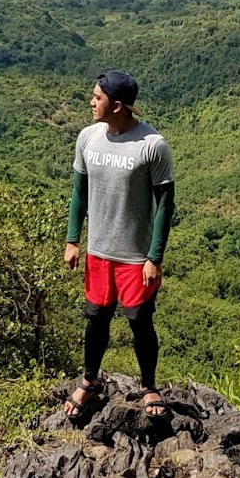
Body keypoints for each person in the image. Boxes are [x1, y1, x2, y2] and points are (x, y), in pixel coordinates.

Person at [63, 70, 175, 420]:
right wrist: (72, 239)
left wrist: (154, 257)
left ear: (118, 105)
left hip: (135, 257)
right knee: (95, 319)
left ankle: (149, 385)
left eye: (97, 97)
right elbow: (79, 191)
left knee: (140, 321)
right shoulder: (88, 138)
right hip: (98, 252)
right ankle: (90, 379)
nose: (91, 102)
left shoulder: (151, 145)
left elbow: (166, 204)